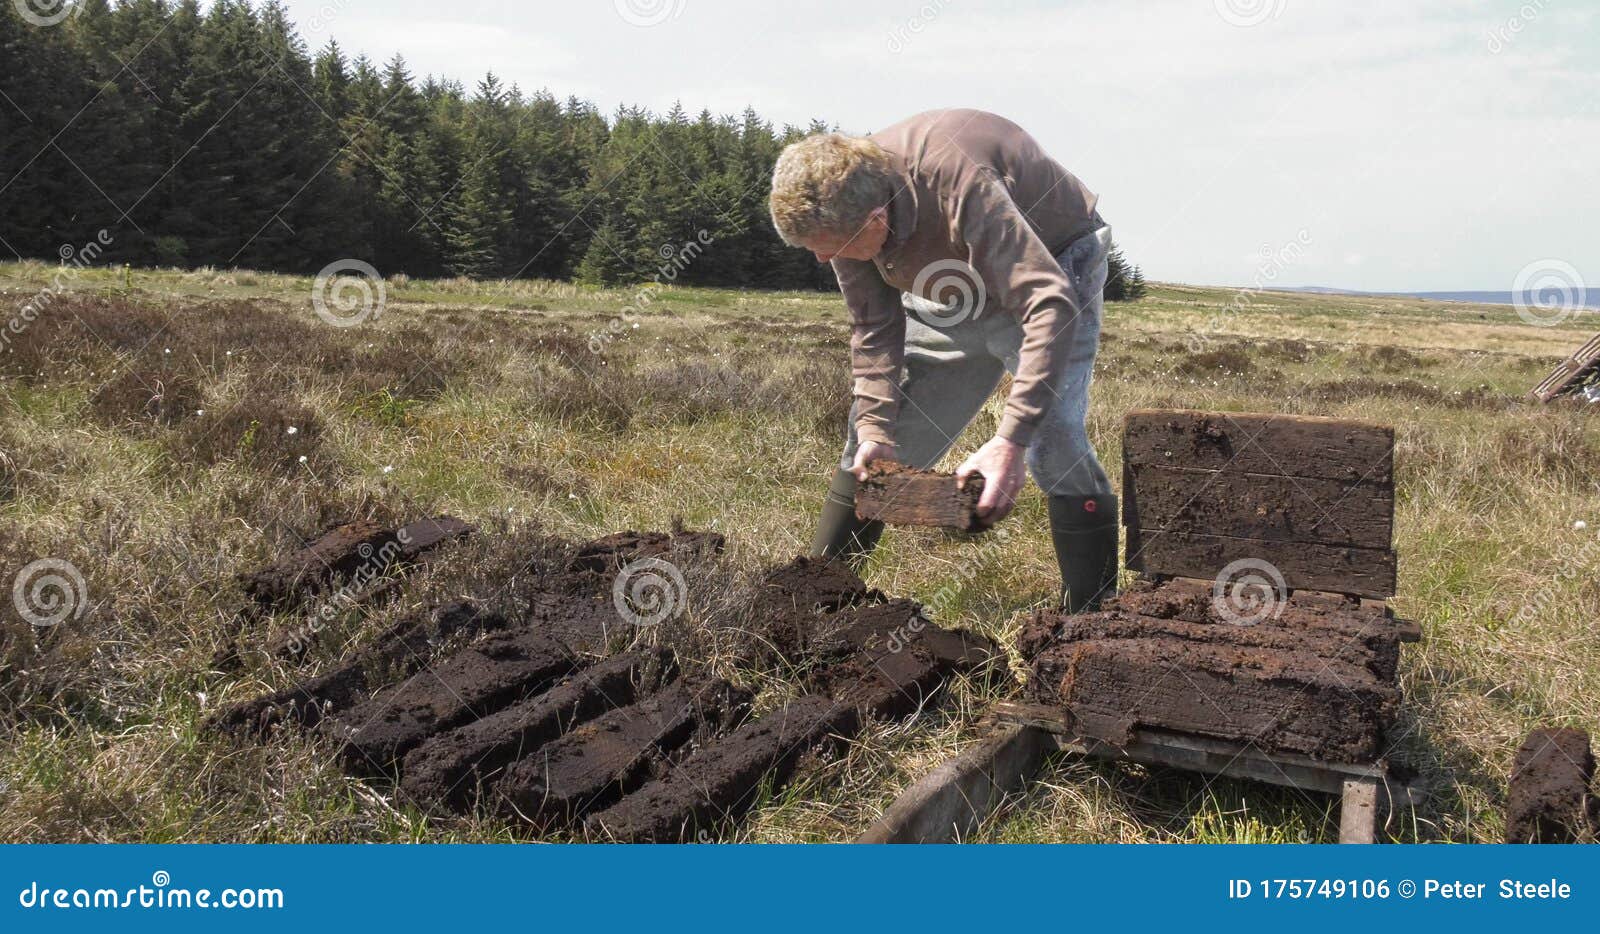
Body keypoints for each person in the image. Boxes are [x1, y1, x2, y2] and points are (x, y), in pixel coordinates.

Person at [768, 108, 1118, 611]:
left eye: (831, 249)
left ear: (877, 218)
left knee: (1052, 438)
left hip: (1053, 262)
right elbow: (875, 326)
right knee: (883, 436)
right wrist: (873, 430)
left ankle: (1096, 619)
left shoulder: (959, 183)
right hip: (951, 283)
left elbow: (1048, 301)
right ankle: (818, 604)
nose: (823, 261)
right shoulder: (843, 218)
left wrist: (1010, 440)